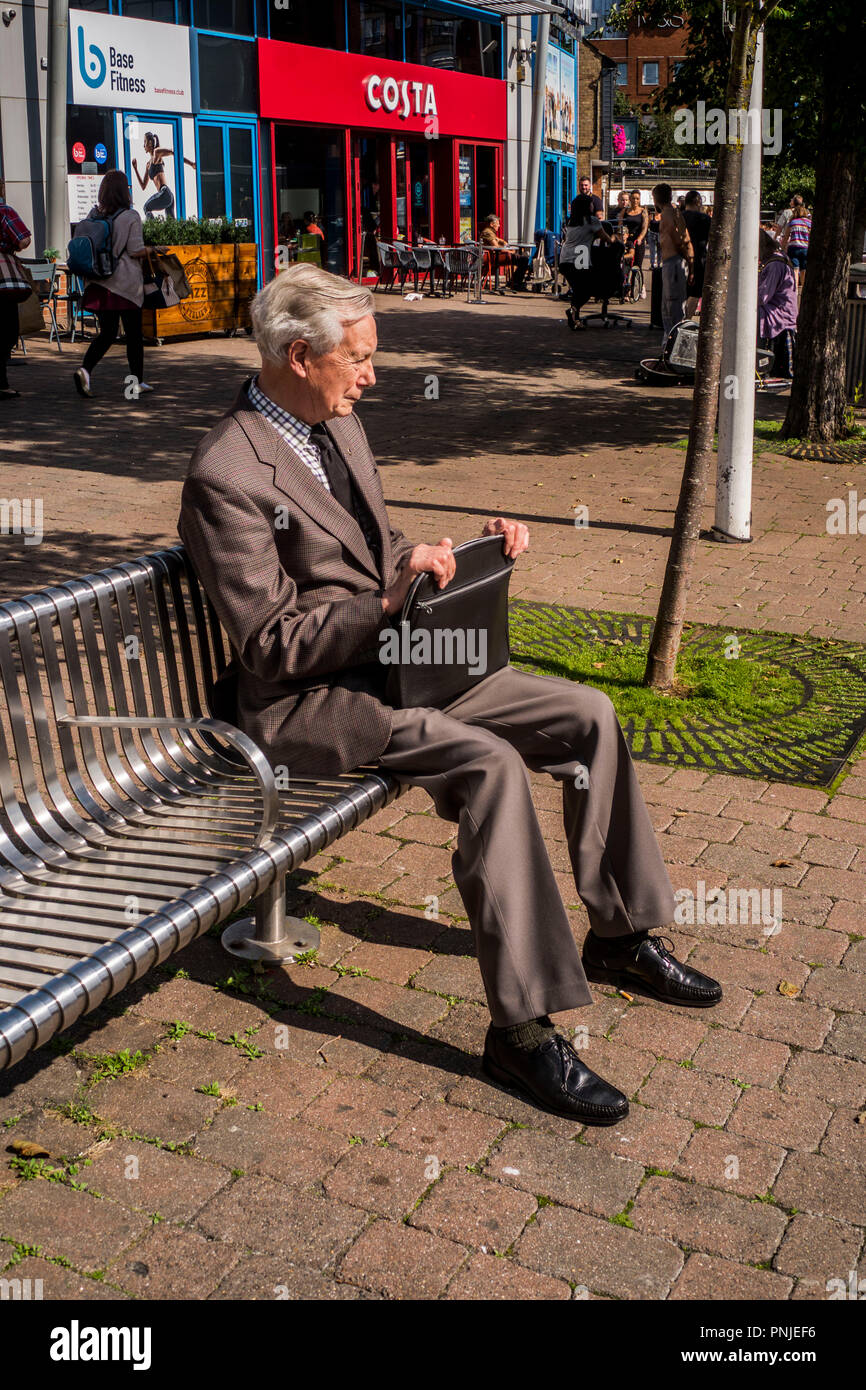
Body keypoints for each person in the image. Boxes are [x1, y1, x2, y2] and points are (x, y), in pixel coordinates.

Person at [177, 264, 724, 1126]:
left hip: (408, 661)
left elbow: (382, 545)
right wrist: (387, 602)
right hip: (315, 701)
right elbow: (270, 645)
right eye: (356, 358)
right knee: (491, 765)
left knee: (590, 716)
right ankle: (522, 1030)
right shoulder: (226, 473)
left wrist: (463, 553)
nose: (371, 374)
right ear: (297, 354)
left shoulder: (334, 421)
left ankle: (619, 936)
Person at [73, 170, 150, 400]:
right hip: (125, 286)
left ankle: (85, 371)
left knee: (107, 333)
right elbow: (135, 250)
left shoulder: (94, 213)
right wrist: (154, 251)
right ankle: (134, 385)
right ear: (124, 190)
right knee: (134, 335)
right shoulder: (131, 216)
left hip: (99, 283)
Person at [559, 194, 615, 328]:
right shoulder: (592, 221)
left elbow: (583, 235)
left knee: (579, 289)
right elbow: (606, 238)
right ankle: (573, 311)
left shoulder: (572, 221)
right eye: (591, 204)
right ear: (586, 206)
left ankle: (575, 320)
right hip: (580, 258)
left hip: (565, 259)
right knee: (587, 289)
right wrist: (615, 240)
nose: (593, 206)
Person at [0, 178, 31, 401]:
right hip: (3, 276)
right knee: (7, 330)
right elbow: (23, 240)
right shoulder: (5, 211)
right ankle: (1, 384)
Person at [653, 182, 694, 349]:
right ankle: (669, 348)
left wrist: (687, 260)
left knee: (673, 309)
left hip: (674, 264)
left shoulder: (669, 214)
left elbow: (680, 238)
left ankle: (675, 348)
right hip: (673, 263)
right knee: (668, 309)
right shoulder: (672, 212)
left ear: (656, 198)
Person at [757, 228, 798, 379]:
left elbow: (763, 297)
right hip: (783, 310)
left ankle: (759, 363)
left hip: (779, 313)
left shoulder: (774, 264)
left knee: (751, 315)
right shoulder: (780, 258)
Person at [132, 132, 195, 220]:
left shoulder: (156, 153)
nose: (143, 145)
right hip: (167, 196)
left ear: (150, 143)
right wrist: (135, 169)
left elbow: (173, 152)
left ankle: (153, 231)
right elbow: (143, 186)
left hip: (164, 192)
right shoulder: (148, 164)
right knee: (171, 224)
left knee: (146, 207)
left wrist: (191, 164)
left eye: (145, 142)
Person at [480, 213, 528, 295]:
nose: (499, 226)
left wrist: (504, 243)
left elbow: (498, 240)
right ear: (492, 224)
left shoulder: (490, 232)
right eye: (498, 224)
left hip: (495, 255)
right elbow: (496, 247)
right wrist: (509, 251)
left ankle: (514, 282)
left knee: (521, 259)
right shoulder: (487, 232)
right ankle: (515, 283)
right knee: (523, 260)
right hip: (493, 257)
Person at [682, 189, 711, 318]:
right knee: (695, 293)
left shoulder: (679, 217)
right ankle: (687, 319)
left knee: (681, 292)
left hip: (679, 257)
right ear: (698, 202)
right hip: (699, 259)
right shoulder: (705, 219)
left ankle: (679, 319)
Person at [621, 191, 649, 299]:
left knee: (637, 265)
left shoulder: (643, 211)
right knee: (626, 265)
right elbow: (620, 225)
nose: (635, 201)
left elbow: (644, 227)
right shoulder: (625, 211)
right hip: (627, 241)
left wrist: (640, 238)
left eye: (637, 198)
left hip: (638, 241)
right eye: (633, 198)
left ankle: (639, 287)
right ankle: (626, 290)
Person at [780, 195, 811, 291]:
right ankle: (804, 291)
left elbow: (786, 236)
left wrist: (782, 247)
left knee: (795, 270)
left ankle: (795, 291)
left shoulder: (792, 222)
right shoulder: (809, 223)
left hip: (793, 248)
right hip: (805, 248)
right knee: (804, 270)